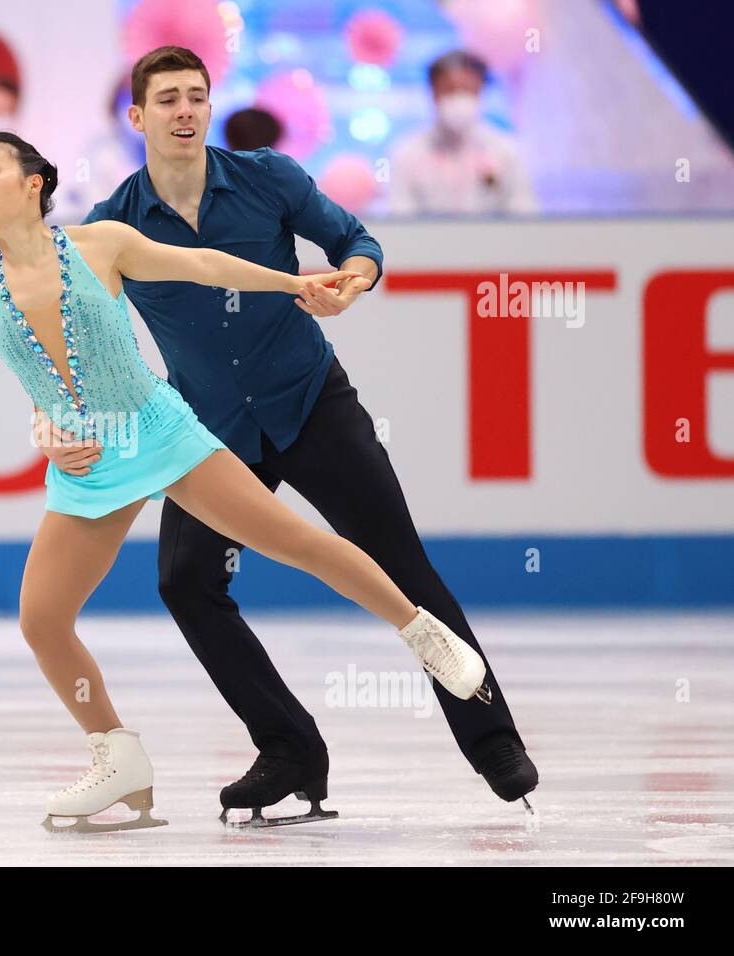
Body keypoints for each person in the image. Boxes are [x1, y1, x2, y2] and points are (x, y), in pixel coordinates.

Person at [0, 130, 491, 833]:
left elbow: (204, 265)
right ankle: (118, 756)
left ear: (34, 184)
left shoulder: (101, 243)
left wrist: (293, 284)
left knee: (299, 544)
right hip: (87, 461)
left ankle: (422, 633)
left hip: (160, 432)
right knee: (42, 618)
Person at [52, 46, 536, 818]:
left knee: (400, 562)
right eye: (168, 98)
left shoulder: (268, 178)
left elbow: (357, 241)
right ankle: (290, 747)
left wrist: (355, 281)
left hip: (312, 405)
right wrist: (64, 421)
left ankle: (492, 738)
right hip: (209, 435)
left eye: (197, 97)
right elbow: (77, 341)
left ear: (211, 108)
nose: (185, 110)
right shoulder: (111, 227)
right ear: (136, 117)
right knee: (186, 582)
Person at [387, 50, 538, 215]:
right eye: (450, 90)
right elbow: (400, 217)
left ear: (481, 90)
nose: (459, 98)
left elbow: (524, 213)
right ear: (433, 92)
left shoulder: (505, 150)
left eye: (468, 90)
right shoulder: (408, 153)